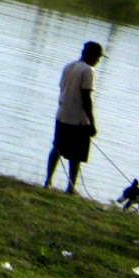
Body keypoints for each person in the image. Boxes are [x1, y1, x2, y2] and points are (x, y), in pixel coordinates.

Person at [45, 41, 103, 193]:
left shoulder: (69, 66)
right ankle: (71, 187)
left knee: (57, 148)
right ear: (90, 55)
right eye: (97, 57)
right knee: (76, 155)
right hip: (78, 119)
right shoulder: (88, 71)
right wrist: (91, 122)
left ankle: (48, 180)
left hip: (62, 114)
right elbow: (86, 97)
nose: (98, 61)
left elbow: (62, 88)